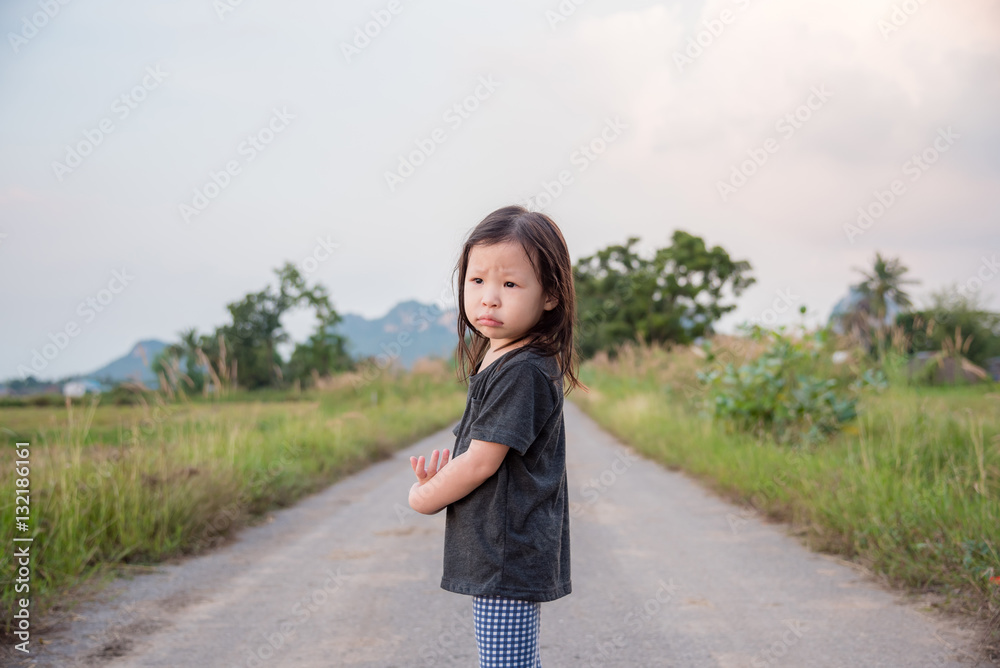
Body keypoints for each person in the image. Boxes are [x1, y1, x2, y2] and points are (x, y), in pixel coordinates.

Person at [407, 204, 588, 668]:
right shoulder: (501, 356)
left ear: (550, 295)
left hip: (506, 552)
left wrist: (424, 497)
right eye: (477, 281)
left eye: (509, 284)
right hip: (499, 549)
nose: (490, 297)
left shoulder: (523, 369)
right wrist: (442, 472)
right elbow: (475, 451)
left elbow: (482, 461)